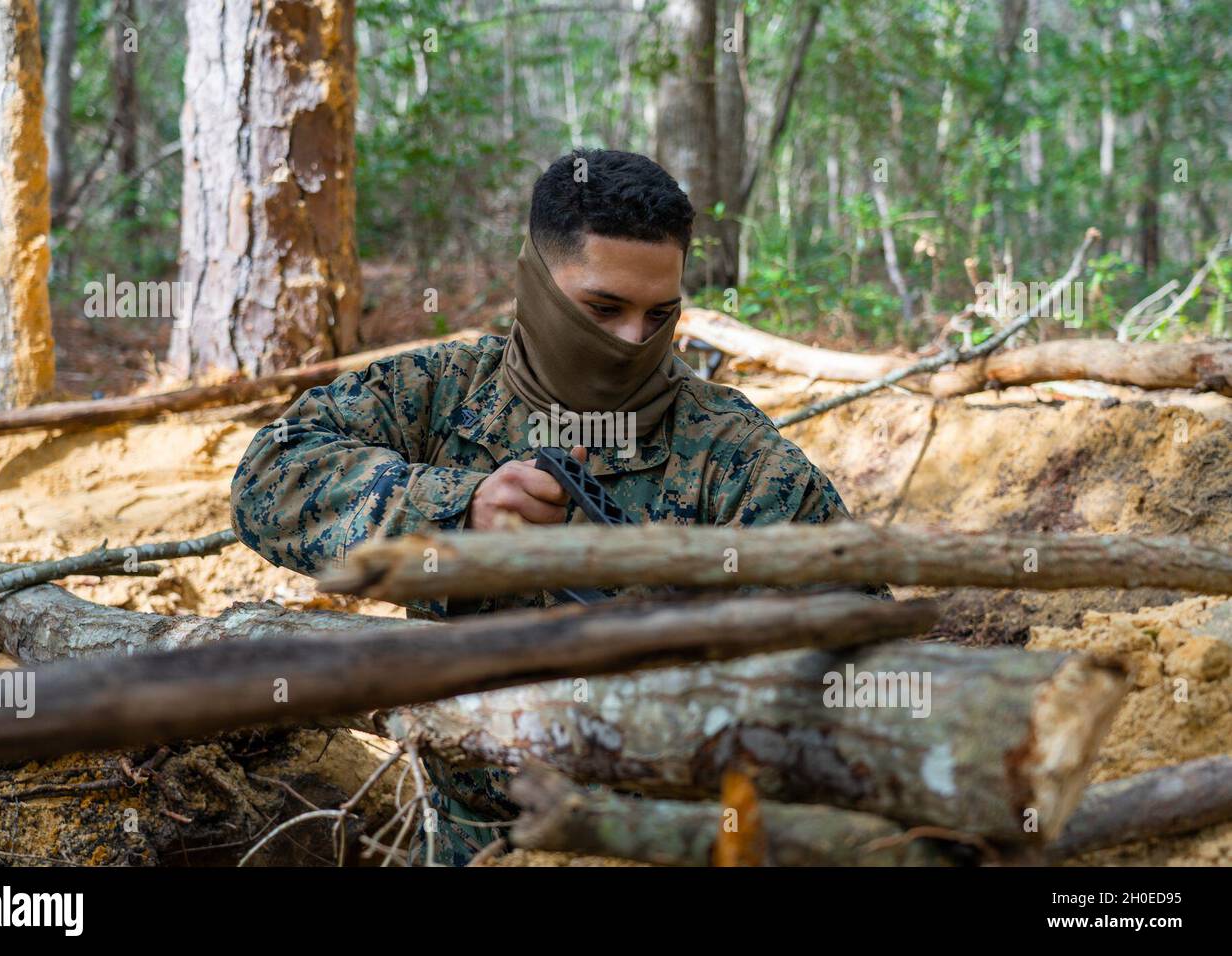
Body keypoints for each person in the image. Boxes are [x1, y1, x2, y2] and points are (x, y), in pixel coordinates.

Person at [231, 147, 869, 865]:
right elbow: (268, 477)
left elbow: (856, 640)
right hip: (468, 840)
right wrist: (456, 508)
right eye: (603, 308)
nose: (633, 341)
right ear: (535, 281)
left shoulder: (731, 451)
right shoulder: (443, 391)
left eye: (659, 314)